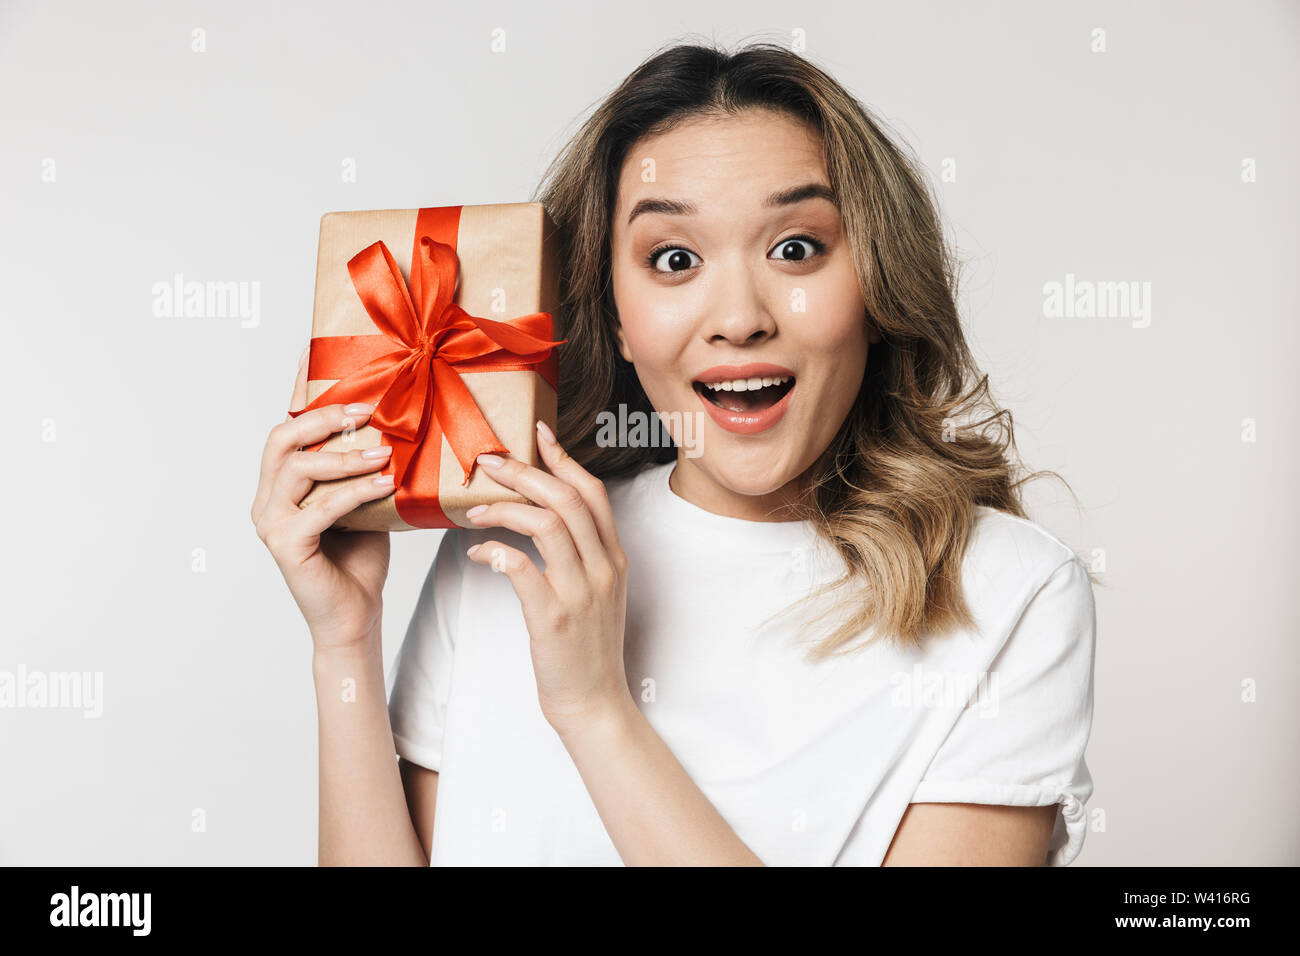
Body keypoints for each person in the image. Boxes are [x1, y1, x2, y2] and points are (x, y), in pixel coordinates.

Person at [251, 40, 1097, 866]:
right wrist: (345, 639)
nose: (737, 316)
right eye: (675, 259)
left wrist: (596, 708)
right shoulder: (504, 547)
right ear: (616, 313)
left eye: (795, 248)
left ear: (875, 282)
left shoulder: (1010, 592)